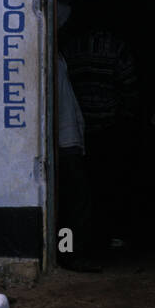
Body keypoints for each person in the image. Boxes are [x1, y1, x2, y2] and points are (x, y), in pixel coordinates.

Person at [62, 11, 138, 255]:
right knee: (109, 183)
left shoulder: (70, 47)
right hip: (108, 127)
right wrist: (126, 117)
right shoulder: (116, 47)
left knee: (83, 188)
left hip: (77, 128)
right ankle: (107, 236)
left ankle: (89, 239)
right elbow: (130, 86)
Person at [56, 53, 100, 273]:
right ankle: (70, 254)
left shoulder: (59, 58)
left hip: (70, 138)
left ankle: (69, 253)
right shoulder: (52, 60)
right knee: (74, 204)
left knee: (74, 203)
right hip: (65, 142)